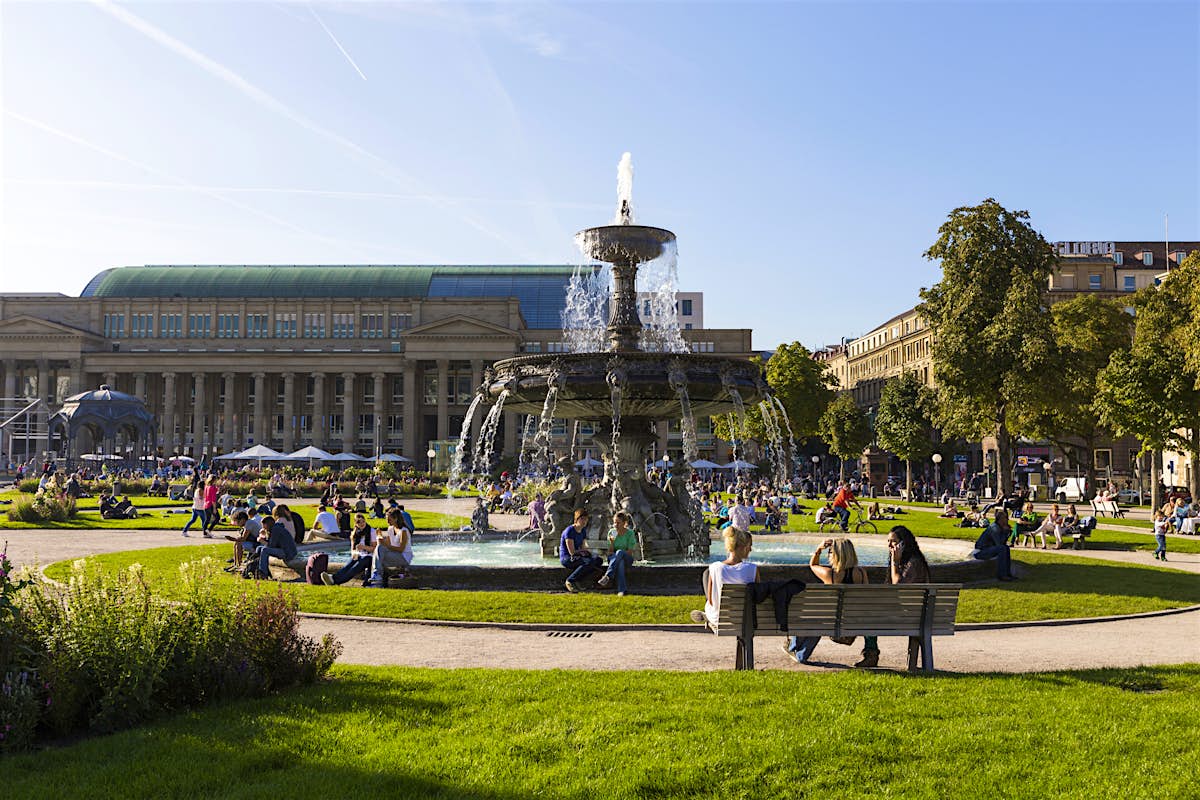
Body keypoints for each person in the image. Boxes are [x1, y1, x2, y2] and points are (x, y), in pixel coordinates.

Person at [783, 537, 879, 668]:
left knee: (815, 617)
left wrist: (819, 549)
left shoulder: (829, 574)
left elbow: (813, 565)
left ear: (837, 555)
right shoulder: (861, 573)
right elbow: (866, 599)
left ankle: (797, 650)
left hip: (831, 625)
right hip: (854, 626)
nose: (829, 555)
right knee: (867, 615)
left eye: (830, 552)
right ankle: (871, 654)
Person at [690, 527, 758, 626]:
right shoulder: (753, 569)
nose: (750, 550)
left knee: (706, 574)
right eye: (749, 546)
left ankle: (706, 615)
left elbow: (711, 601)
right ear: (743, 547)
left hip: (719, 619)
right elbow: (757, 598)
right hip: (746, 620)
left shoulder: (714, 568)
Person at [322, 514, 378, 585]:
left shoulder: (371, 531)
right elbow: (353, 548)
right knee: (348, 565)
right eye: (359, 522)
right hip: (359, 555)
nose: (361, 524)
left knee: (355, 568)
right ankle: (333, 578)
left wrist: (364, 547)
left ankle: (335, 581)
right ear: (355, 524)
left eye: (363, 521)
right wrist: (354, 553)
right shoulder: (354, 533)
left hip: (369, 556)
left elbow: (375, 549)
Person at [367, 508, 413, 587]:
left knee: (378, 554)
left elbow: (401, 549)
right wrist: (379, 536)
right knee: (377, 553)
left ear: (396, 519)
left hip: (404, 557)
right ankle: (376, 577)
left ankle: (377, 576)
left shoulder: (404, 531)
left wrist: (385, 545)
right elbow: (384, 545)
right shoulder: (390, 529)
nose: (387, 522)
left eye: (389, 519)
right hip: (394, 555)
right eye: (387, 519)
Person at [560, 509, 602, 593]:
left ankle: (581, 580)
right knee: (588, 562)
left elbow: (583, 547)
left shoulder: (582, 531)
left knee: (598, 560)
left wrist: (587, 552)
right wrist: (583, 552)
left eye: (586, 519)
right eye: (582, 519)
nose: (584, 521)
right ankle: (570, 580)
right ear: (576, 519)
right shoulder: (570, 531)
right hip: (568, 558)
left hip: (578, 556)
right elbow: (572, 552)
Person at [597, 511, 638, 596]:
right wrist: (612, 543)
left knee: (619, 553)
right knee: (620, 563)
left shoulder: (630, 533)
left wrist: (620, 553)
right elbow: (610, 552)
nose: (615, 525)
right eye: (614, 522)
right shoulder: (612, 532)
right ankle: (621, 590)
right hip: (613, 559)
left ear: (624, 523)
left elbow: (630, 552)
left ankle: (608, 576)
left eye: (618, 523)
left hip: (627, 558)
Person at [972, 508, 1016, 581]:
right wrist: (1005, 532)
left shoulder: (1000, 527)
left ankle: (1008, 574)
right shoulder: (995, 528)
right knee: (1002, 548)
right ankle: (1002, 575)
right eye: (1006, 518)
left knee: (1006, 548)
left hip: (989, 549)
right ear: (1000, 519)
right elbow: (999, 544)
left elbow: (1002, 543)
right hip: (980, 552)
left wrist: (1008, 533)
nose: (1007, 520)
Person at [257, 505, 299, 581]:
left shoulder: (276, 530)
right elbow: (272, 543)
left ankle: (263, 573)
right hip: (284, 550)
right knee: (259, 548)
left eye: (264, 525)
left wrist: (261, 540)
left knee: (264, 550)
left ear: (268, 524)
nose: (263, 528)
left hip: (288, 553)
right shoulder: (275, 528)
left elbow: (271, 545)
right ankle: (256, 566)